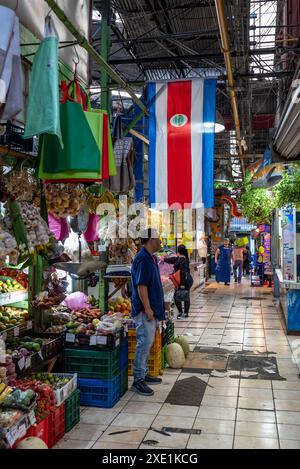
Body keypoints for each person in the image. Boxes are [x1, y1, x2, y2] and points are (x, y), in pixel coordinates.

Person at [130, 228, 165, 396]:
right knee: (143, 344)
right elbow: (141, 285)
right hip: (144, 311)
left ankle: (143, 374)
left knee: (147, 343)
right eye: (158, 238)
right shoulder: (143, 258)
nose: (161, 241)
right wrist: (148, 308)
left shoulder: (150, 257)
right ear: (151, 239)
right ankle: (137, 380)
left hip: (150, 310)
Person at [162, 244, 194, 319]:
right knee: (180, 295)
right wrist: (164, 259)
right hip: (182, 280)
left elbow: (183, 272)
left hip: (184, 281)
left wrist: (182, 284)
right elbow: (173, 259)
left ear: (179, 251)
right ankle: (182, 312)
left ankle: (184, 313)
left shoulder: (183, 259)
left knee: (184, 295)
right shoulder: (181, 258)